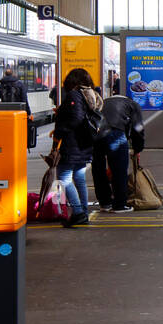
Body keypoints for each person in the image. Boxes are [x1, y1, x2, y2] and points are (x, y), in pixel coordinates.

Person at [51, 67, 103, 228]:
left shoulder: (74, 94)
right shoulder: (91, 94)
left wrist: (59, 132)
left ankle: (79, 212)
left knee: (64, 178)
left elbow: (76, 118)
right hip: (84, 143)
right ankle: (84, 213)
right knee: (79, 178)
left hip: (72, 143)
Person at [92, 91, 145, 213]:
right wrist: (138, 148)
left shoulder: (104, 102)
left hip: (96, 135)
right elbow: (138, 128)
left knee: (98, 169)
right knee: (119, 169)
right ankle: (120, 204)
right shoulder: (133, 104)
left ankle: (105, 203)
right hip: (115, 133)